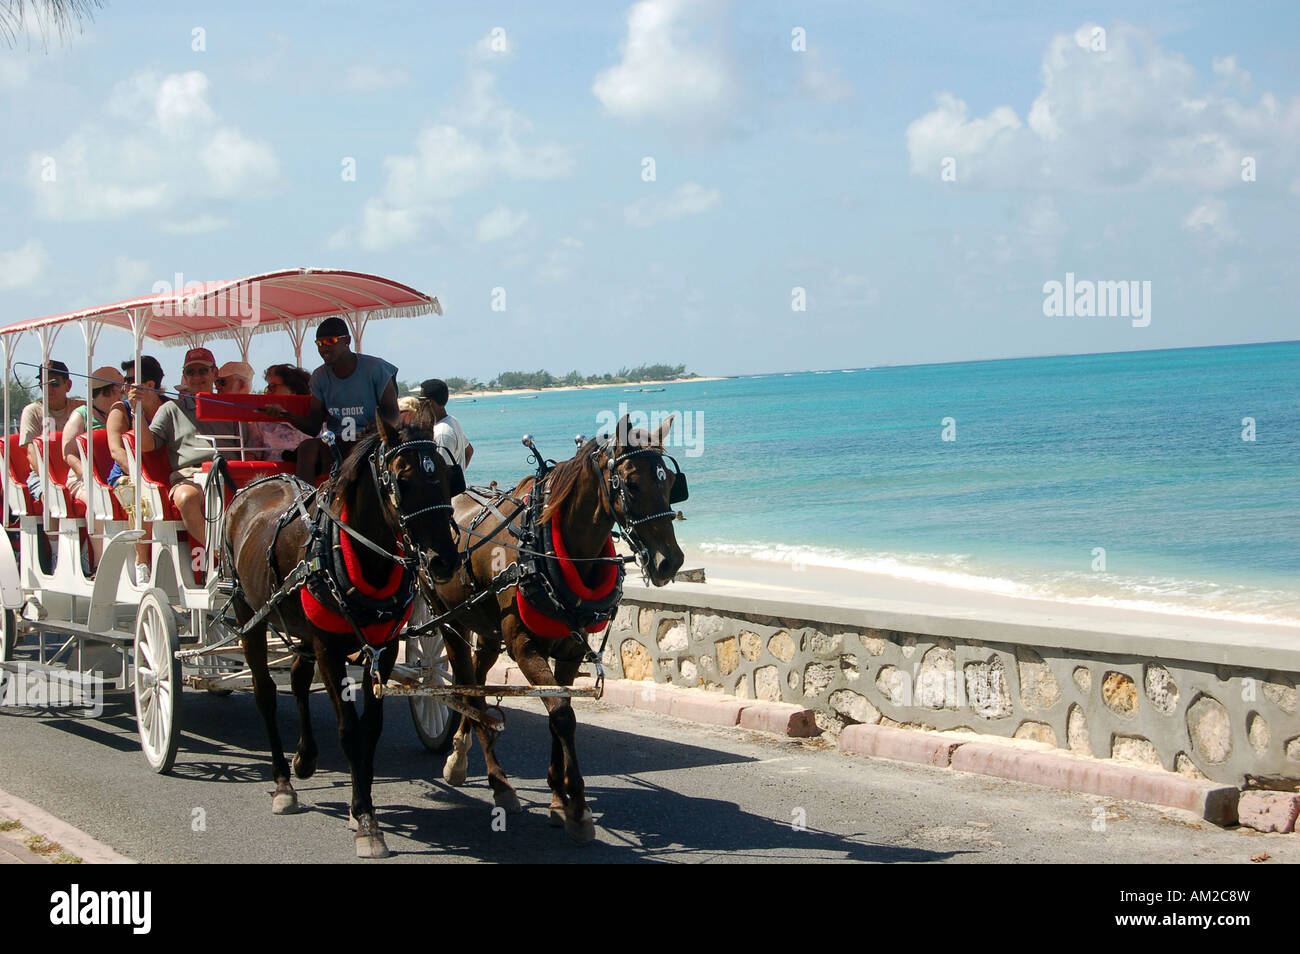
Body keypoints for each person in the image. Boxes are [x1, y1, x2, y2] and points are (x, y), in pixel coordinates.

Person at [266, 317, 398, 482]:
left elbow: (393, 413)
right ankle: (307, 502)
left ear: (347, 341)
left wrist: (378, 428)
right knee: (307, 447)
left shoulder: (376, 369)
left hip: (370, 441)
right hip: (337, 444)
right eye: (319, 343)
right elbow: (314, 426)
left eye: (330, 341)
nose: (323, 348)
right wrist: (286, 415)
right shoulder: (319, 377)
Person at [106, 356, 167, 584]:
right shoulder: (119, 409)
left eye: (131, 380)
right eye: (125, 380)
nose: (125, 385)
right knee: (139, 497)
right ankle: (142, 562)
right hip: (126, 475)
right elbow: (115, 451)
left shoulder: (167, 407)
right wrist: (139, 474)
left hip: (160, 473)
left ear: (149, 385)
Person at [19, 360, 85, 501]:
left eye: (54, 383)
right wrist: (51, 480)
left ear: (68, 385)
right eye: (44, 383)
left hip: (76, 472)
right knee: (53, 498)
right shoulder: (32, 411)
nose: (49, 388)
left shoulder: (81, 408)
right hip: (41, 475)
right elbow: (31, 453)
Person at [62, 366, 124, 504]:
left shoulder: (121, 414)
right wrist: (88, 475)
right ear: (110, 390)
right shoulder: (81, 415)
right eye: (120, 390)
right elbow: (68, 453)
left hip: (115, 475)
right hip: (82, 480)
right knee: (97, 502)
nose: (122, 395)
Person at [411, 378, 473, 469]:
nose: (418, 404)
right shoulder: (452, 421)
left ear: (430, 402)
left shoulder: (441, 434)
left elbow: (441, 472)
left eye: (420, 399)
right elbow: (469, 451)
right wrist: (460, 475)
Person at [214, 360, 264, 460]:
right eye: (216, 382)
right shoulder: (218, 411)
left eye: (222, 382)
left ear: (241, 384)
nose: (217, 387)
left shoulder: (255, 411)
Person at [261, 363, 311, 462]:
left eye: (273, 386)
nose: (268, 392)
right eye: (267, 388)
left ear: (294, 390)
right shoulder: (259, 425)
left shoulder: (316, 422)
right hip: (273, 475)